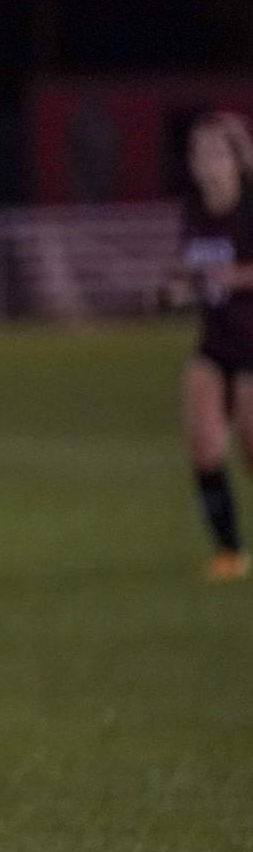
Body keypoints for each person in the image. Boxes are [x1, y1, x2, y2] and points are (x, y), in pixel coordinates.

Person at [162, 111, 253, 583]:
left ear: (239, 161)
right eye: (199, 154)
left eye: (217, 153)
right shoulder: (194, 210)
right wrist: (175, 288)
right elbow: (187, 270)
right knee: (202, 445)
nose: (206, 163)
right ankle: (229, 552)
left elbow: (230, 272)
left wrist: (235, 277)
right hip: (215, 343)